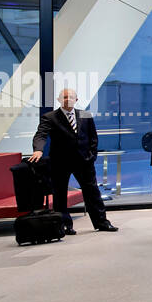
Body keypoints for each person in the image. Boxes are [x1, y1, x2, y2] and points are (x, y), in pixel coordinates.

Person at [30, 87, 118, 234]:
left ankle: (101, 222)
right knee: (60, 194)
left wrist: (92, 155)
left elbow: (93, 138)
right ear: (59, 100)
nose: (68, 99)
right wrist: (38, 149)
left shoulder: (85, 115)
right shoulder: (50, 117)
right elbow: (41, 134)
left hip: (84, 161)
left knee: (92, 192)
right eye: (64, 97)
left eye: (71, 97)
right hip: (60, 162)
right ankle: (64, 225)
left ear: (76, 100)